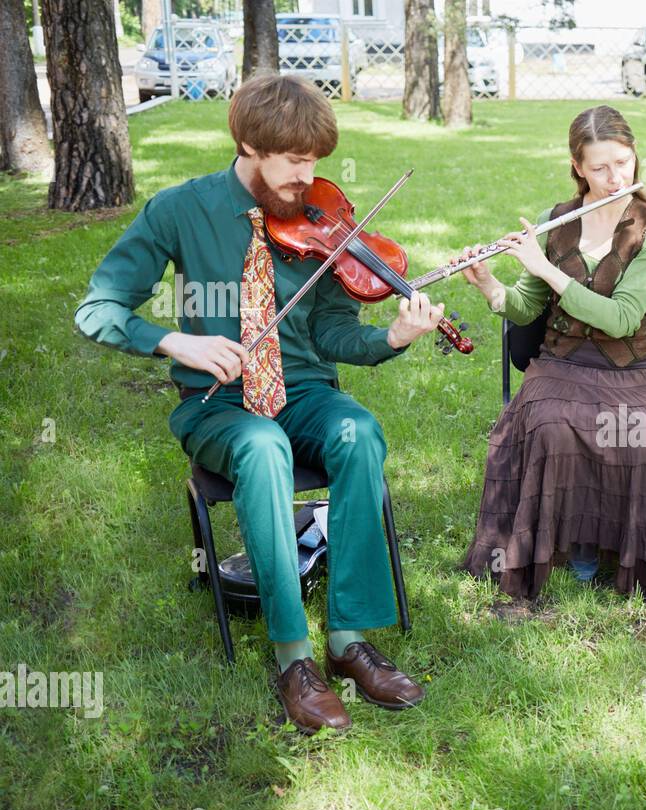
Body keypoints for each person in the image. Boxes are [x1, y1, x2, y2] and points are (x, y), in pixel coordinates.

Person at [74, 75, 439, 733]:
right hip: (217, 404)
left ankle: (349, 640)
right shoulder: (179, 210)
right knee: (262, 445)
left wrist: (390, 337)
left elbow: (332, 331)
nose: (307, 177)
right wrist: (175, 341)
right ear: (248, 145)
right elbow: (98, 308)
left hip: (304, 394)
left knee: (358, 432)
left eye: (314, 161)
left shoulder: (317, 219)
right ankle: (294, 657)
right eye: (294, 160)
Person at [458, 105, 646, 601]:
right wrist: (489, 284)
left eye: (623, 162)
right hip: (563, 362)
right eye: (600, 168)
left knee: (645, 435)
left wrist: (546, 268)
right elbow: (527, 305)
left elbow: (621, 318)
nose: (616, 177)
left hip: (633, 366)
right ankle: (574, 540)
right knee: (553, 428)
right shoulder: (553, 221)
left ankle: (622, 544)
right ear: (577, 167)